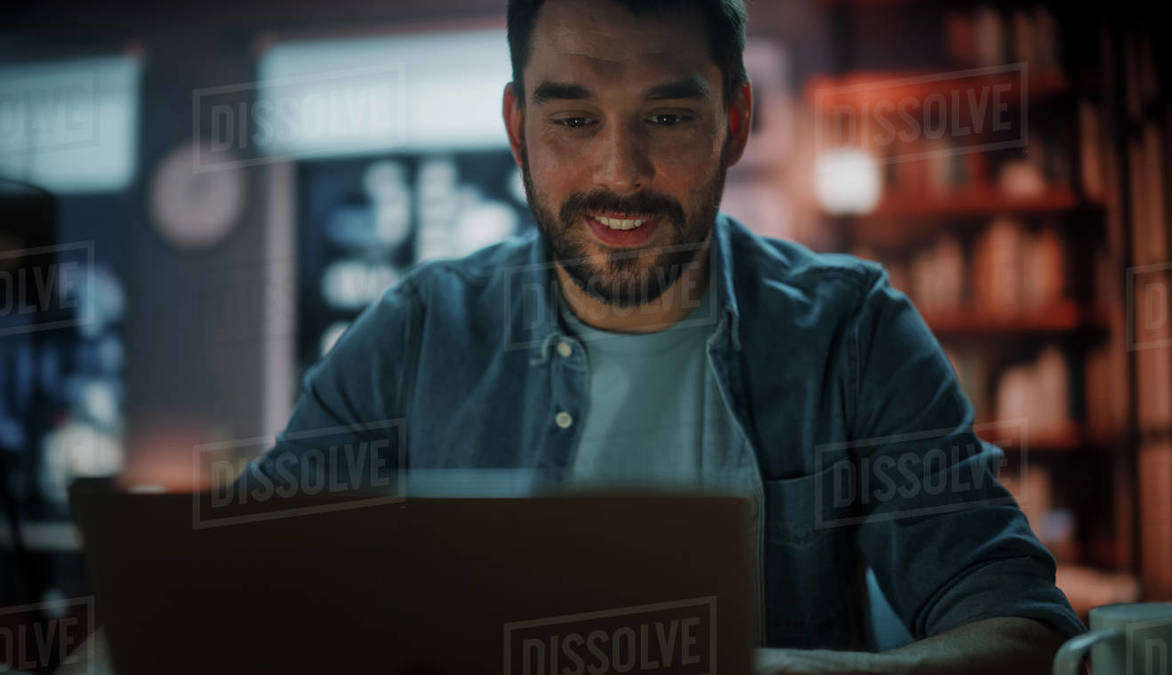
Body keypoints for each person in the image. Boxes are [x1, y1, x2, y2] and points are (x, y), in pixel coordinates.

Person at [67, 1, 1084, 672]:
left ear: (735, 119)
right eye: (574, 120)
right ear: (518, 128)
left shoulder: (850, 328)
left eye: (667, 119)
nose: (620, 173)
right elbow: (224, 596)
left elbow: (1022, 627)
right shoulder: (417, 332)